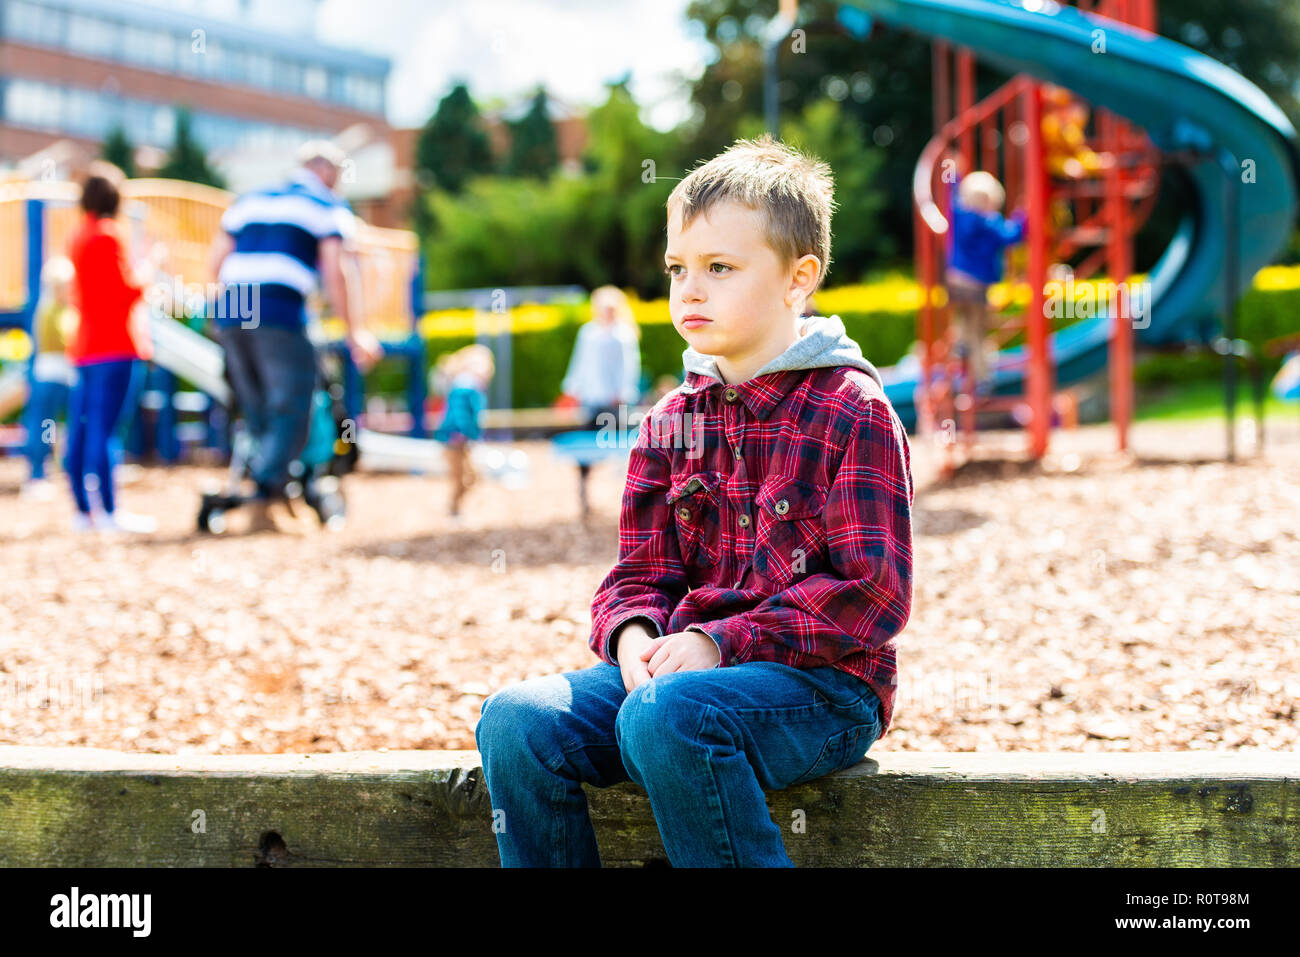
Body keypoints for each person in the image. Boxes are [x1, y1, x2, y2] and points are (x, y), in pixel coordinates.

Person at [476, 134, 915, 867]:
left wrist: (722, 641)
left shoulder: (851, 409)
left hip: (826, 688)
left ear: (796, 279)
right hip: (678, 685)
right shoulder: (669, 419)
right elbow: (638, 575)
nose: (691, 289)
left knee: (666, 717)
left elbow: (873, 595)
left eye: (719, 267)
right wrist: (632, 638)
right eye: (679, 268)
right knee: (516, 721)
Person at [209, 140, 382, 533]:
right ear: (328, 173)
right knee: (293, 406)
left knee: (256, 407)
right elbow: (337, 272)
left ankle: (274, 493)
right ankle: (265, 498)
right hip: (278, 309)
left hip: (234, 308)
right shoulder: (326, 206)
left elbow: (215, 259)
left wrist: (220, 312)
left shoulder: (251, 199)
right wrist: (355, 332)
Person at [64, 162, 159, 534]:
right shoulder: (108, 235)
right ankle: (109, 511)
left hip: (87, 347)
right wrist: (150, 270)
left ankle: (83, 511)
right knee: (106, 431)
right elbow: (126, 292)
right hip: (116, 345)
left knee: (83, 427)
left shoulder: (79, 236)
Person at [559, 285, 643, 517]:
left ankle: (629, 497)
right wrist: (572, 389)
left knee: (622, 446)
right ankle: (584, 495)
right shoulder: (588, 333)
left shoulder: (624, 334)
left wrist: (624, 392)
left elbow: (629, 366)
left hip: (614, 401)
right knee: (585, 447)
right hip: (591, 398)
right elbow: (580, 362)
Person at [946, 169, 1026, 392]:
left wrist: (954, 174)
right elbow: (1013, 235)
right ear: (990, 200)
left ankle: (959, 347)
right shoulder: (990, 223)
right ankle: (983, 378)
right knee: (979, 332)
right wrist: (1024, 214)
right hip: (977, 286)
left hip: (955, 280)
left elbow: (951, 192)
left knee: (962, 321)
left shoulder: (958, 214)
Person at [21, 256, 79, 500]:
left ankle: (58, 469)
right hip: (50, 378)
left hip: (63, 377)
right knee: (46, 427)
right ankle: (37, 473)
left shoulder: (62, 309)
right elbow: (64, 340)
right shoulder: (50, 310)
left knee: (61, 426)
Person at [431, 343, 494, 518]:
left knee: (471, 476)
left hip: (460, 438)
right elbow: (459, 413)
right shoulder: (465, 385)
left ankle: (458, 509)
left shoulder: (468, 385)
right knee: (462, 477)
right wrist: (463, 431)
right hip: (455, 437)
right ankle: (453, 510)